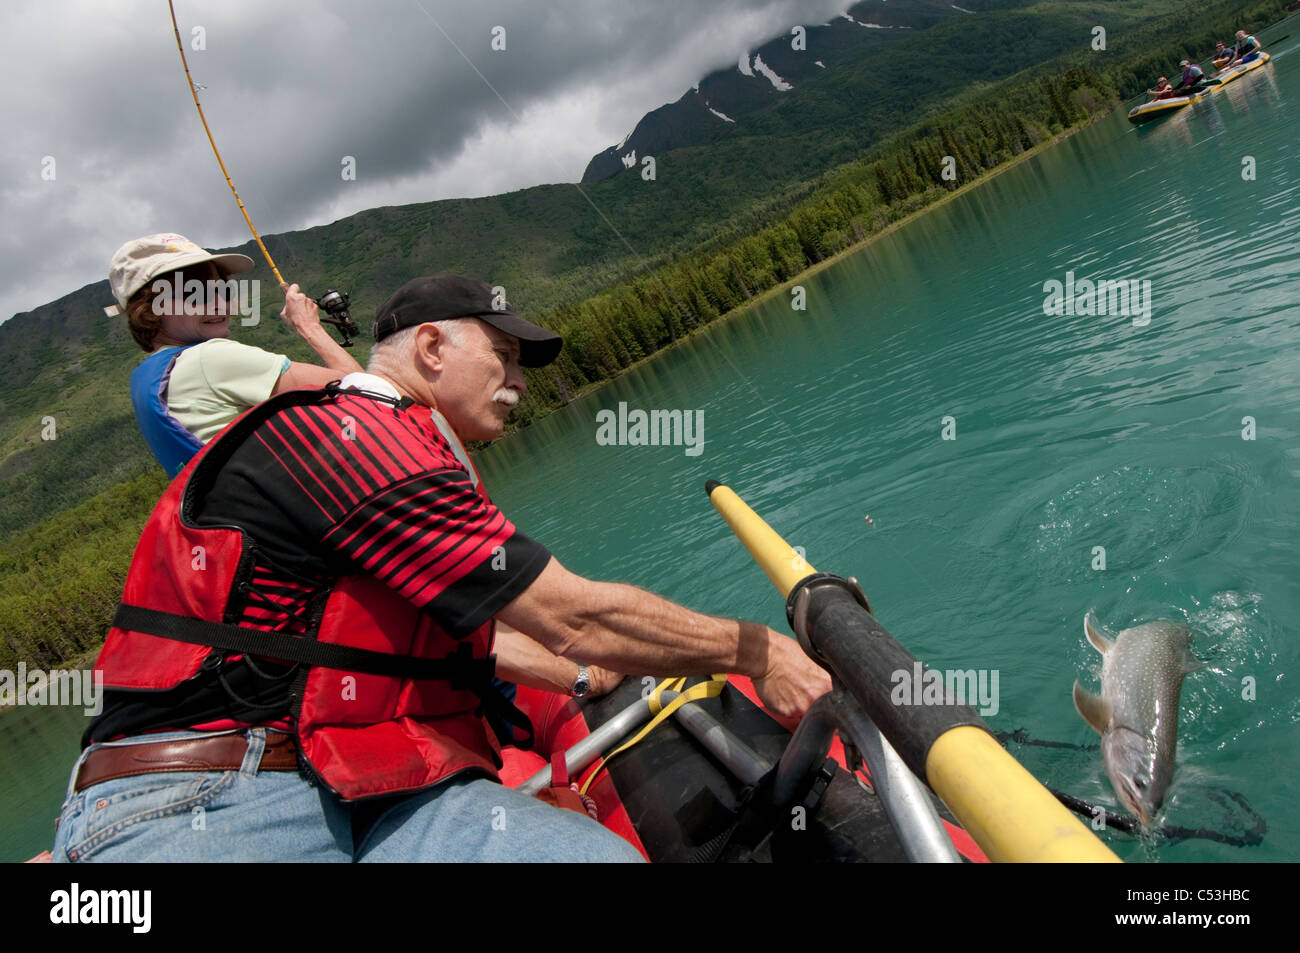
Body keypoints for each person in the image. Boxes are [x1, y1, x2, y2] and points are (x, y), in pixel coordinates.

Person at [52, 274, 831, 862]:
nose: (522, 385)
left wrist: (586, 681)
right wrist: (759, 650)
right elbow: (576, 616)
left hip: (355, 786)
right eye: (505, 359)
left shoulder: (399, 449)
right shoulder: (354, 439)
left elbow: (479, 641)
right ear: (431, 349)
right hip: (205, 796)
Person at [108, 233, 364, 476]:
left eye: (223, 290)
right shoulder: (209, 359)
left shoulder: (149, 376)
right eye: (194, 294)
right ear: (151, 308)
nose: (219, 302)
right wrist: (310, 328)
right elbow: (368, 393)